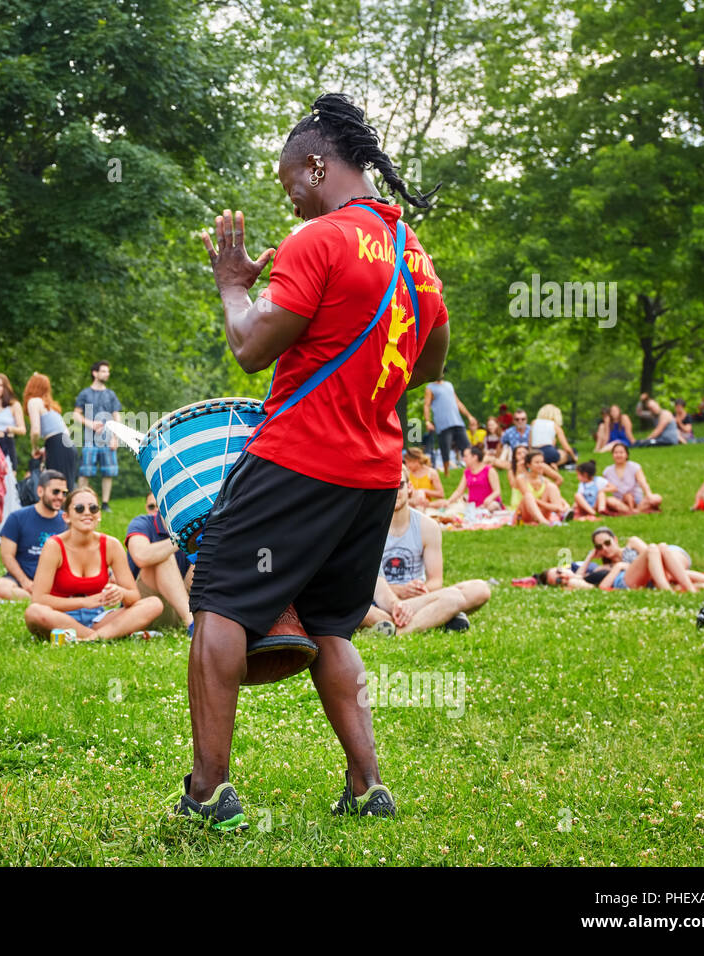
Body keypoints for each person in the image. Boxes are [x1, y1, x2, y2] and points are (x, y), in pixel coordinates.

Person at [186, 92, 451, 827]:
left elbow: (249, 347)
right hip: (373, 473)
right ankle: (367, 787)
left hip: (298, 458)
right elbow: (428, 364)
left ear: (314, 164)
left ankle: (207, 794)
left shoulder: (320, 241)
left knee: (218, 601)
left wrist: (234, 286)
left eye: (290, 186)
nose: (291, 202)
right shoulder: (415, 255)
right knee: (333, 624)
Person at [24, 487, 163, 641]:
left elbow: (134, 597)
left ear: (99, 515)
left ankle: (88, 639)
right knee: (34, 612)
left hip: (98, 619)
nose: (87, 512)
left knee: (154, 604)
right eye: (79, 508)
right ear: (66, 517)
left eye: (93, 508)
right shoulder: (54, 546)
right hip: (59, 617)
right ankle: (103, 637)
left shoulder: (111, 545)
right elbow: (39, 599)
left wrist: (121, 593)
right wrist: (85, 602)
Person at [365, 468, 490, 632]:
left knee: (479, 589)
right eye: (387, 487)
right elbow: (367, 585)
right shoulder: (369, 528)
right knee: (350, 605)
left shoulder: (427, 526)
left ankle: (395, 627)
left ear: (409, 487)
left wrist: (419, 590)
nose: (394, 492)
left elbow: (436, 581)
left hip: (417, 598)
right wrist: (399, 591)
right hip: (378, 601)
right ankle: (436, 617)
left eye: (399, 485)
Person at [0, 470, 69, 601]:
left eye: (64, 493)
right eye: (55, 492)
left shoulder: (68, 520)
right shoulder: (17, 518)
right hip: (23, 580)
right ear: (40, 491)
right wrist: (25, 582)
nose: (60, 497)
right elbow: (7, 555)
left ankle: (42, 597)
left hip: (56, 580)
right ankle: (43, 598)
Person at [125, 492, 194, 631]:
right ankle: (192, 623)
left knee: (204, 558)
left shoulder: (192, 527)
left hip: (180, 607)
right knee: (162, 558)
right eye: (153, 506)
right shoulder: (142, 523)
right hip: (144, 607)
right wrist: (181, 538)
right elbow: (141, 557)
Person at [74, 361, 123, 510]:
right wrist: (90, 424)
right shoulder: (85, 393)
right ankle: (80, 502)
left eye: (107, 371)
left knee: (108, 472)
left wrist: (115, 437)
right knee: (85, 472)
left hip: (108, 439)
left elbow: (117, 416)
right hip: (89, 439)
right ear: (94, 373)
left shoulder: (111, 394)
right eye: (103, 371)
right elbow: (76, 414)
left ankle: (105, 504)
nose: (106, 374)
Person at [23, 372, 77, 490]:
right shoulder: (51, 406)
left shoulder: (33, 401)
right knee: (67, 486)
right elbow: (64, 432)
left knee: (56, 485)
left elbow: (35, 430)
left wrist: (35, 448)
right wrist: (46, 448)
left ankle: (62, 509)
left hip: (57, 445)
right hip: (67, 445)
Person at [423, 369, 477, 475]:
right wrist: (427, 421)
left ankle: (473, 469)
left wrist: (469, 416)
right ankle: (446, 473)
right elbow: (426, 405)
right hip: (443, 424)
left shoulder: (449, 385)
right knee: (445, 449)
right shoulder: (430, 387)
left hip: (457, 421)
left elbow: (458, 402)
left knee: (466, 447)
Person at [511, 448, 569, 525]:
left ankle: (561, 514)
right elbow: (531, 500)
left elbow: (557, 493)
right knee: (528, 496)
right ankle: (544, 522)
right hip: (523, 513)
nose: (541, 465)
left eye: (542, 462)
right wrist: (552, 507)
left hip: (540, 512)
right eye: (537, 462)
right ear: (529, 465)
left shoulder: (544, 480)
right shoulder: (521, 478)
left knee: (552, 486)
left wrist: (565, 504)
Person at [0, 373, 26, 476]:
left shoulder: (14, 405)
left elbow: (22, 430)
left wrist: (11, 429)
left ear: (5, 387)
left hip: (6, 444)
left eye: (0, 385)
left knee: (8, 481)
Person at [602, 443, 662, 513]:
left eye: (621, 452)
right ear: (612, 455)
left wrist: (649, 495)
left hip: (638, 500)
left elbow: (643, 483)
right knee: (609, 500)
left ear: (626, 455)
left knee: (657, 498)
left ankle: (633, 511)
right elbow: (603, 487)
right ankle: (635, 512)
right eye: (616, 453)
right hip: (620, 501)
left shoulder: (634, 467)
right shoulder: (607, 471)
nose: (618, 455)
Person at [443, 445, 503, 511]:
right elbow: (459, 491)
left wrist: (489, 499)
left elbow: (497, 491)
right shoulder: (467, 472)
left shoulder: (489, 470)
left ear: (475, 457)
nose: (464, 459)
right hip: (473, 506)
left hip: (489, 504)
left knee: (492, 506)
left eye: (466, 456)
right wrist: (449, 501)